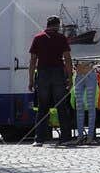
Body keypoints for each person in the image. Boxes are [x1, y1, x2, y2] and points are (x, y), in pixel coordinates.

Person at [27, 15, 74, 146]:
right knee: (61, 106)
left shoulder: (38, 38)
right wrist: (70, 78)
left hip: (42, 73)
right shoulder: (61, 38)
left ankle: (39, 139)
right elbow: (67, 58)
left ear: (47, 25)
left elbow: (32, 60)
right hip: (58, 72)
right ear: (58, 25)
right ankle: (65, 138)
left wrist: (30, 79)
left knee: (43, 106)